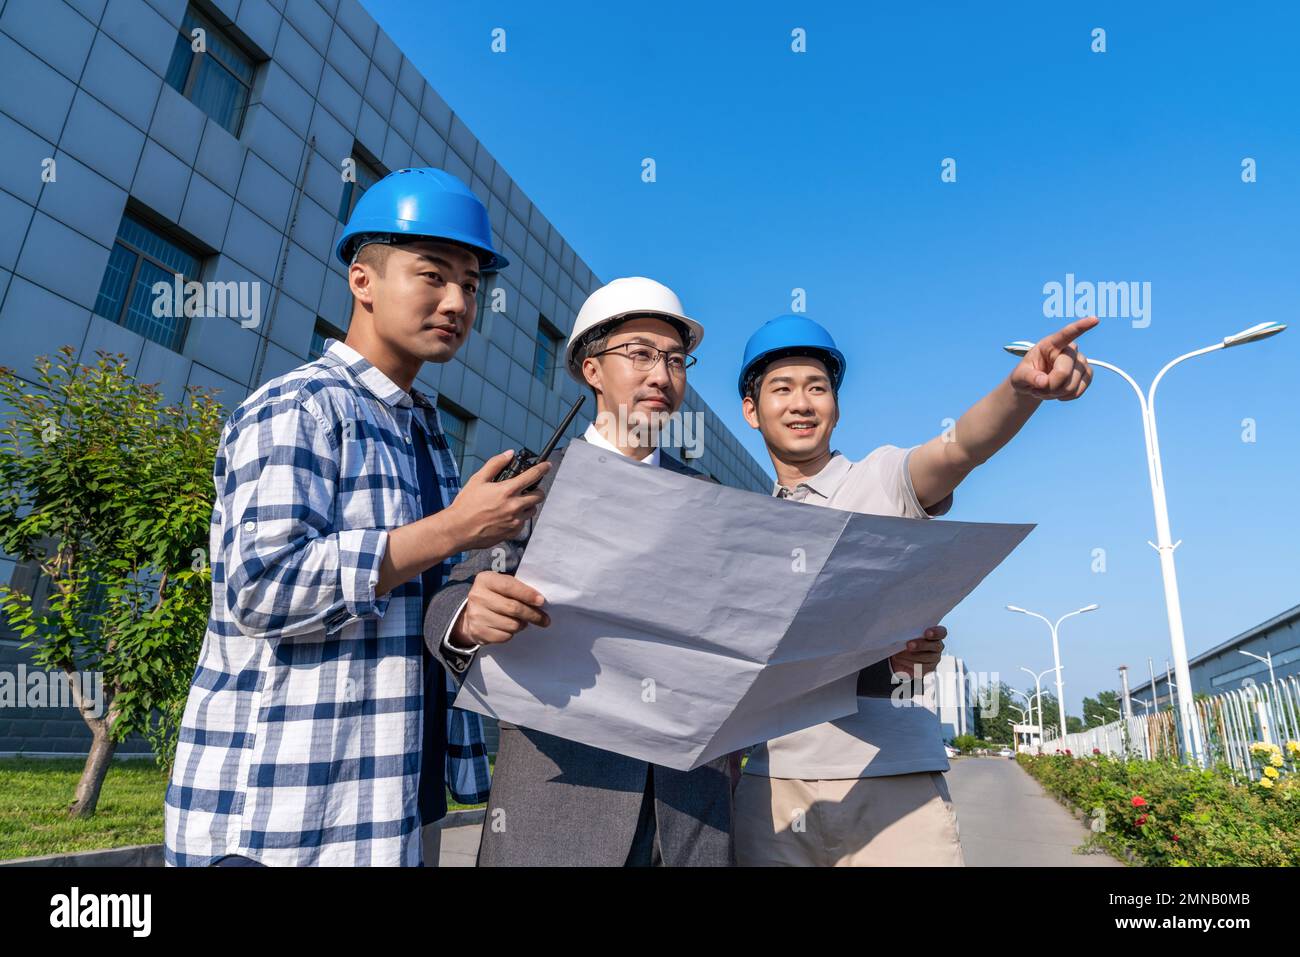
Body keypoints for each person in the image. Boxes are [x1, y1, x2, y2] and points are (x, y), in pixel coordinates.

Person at [164, 168, 550, 866]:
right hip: (281, 820)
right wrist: (456, 528)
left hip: (395, 803)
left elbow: (413, 600)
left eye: (471, 284)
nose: (458, 301)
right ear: (362, 281)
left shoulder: (425, 432)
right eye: (433, 275)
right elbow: (261, 586)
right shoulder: (299, 408)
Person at [732, 313, 1096, 866]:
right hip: (774, 789)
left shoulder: (880, 479)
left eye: (818, 388)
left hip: (892, 781)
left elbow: (958, 449)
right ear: (751, 412)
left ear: (836, 404)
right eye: (781, 389)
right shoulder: (742, 528)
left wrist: (1019, 393)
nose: (801, 403)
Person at [424, 277, 736, 866]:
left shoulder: (711, 499)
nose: (661, 376)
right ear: (592, 371)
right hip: (558, 810)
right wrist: (469, 618)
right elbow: (449, 601)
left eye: (675, 360)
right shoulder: (531, 484)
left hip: (691, 814)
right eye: (640, 354)